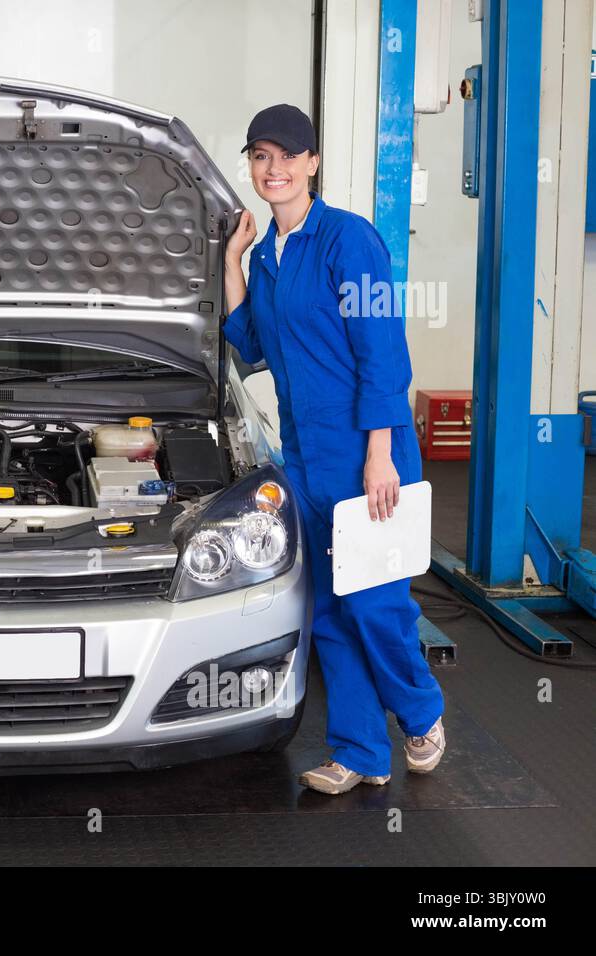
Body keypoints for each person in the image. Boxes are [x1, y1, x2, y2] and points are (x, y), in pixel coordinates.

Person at [223, 104, 447, 795]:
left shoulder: (351, 242)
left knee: (376, 603)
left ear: (313, 163)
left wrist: (379, 451)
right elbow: (248, 344)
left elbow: (383, 354)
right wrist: (232, 257)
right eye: (261, 156)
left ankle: (422, 713)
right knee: (329, 609)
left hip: (367, 452)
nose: (275, 169)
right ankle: (357, 753)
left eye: (288, 156)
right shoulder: (265, 258)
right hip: (307, 459)